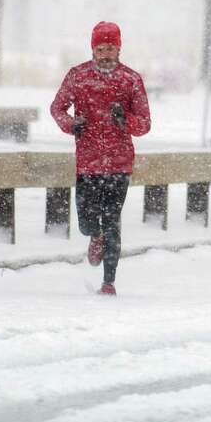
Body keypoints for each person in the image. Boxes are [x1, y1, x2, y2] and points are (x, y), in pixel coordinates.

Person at [49, 21, 151, 296]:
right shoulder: (78, 76)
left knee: (112, 219)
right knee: (86, 221)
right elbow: (57, 108)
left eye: (111, 48)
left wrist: (125, 120)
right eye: (101, 48)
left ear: (119, 49)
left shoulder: (130, 79)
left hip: (119, 164)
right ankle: (94, 235)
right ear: (93, 49)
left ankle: (109, 282)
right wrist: (71, 124)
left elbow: (144, 123)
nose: (106, 54)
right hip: (88, 162)